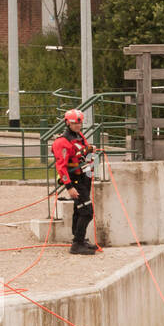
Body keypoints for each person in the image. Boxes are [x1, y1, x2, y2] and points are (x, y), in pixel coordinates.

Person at [52, 109, 98, 256]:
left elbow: (83, 152)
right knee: (87, 212)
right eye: (74, 123)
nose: (78, 126)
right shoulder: (62, 142)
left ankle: (79, 239)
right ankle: (77, 244)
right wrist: (69, 187)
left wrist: (90, 150)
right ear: (67, 123)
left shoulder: (79, 136)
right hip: (75, 180)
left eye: (79, 123)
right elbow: (61, 167)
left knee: (79, 211)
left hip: (85, 177)